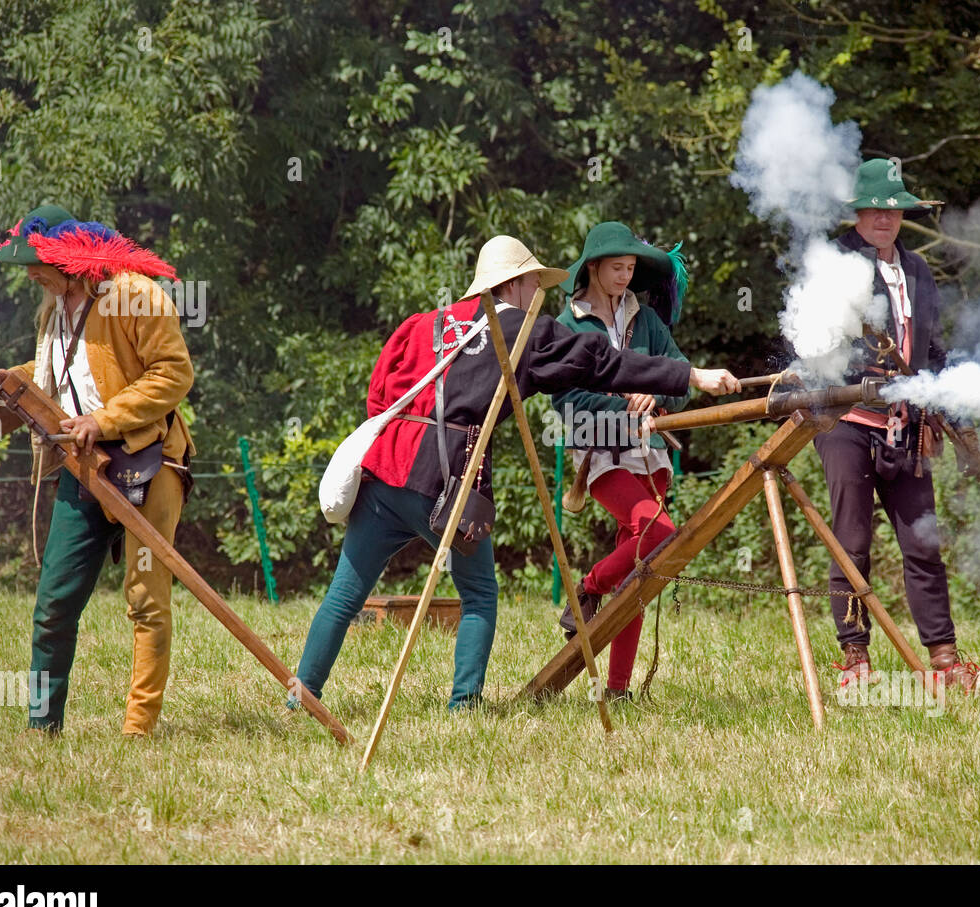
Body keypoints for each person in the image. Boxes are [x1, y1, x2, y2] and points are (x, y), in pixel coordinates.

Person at [292, 235, 740, 710]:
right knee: (480, 594)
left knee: (344, 593)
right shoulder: (525, 334)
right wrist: (690, 376)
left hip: (386, 467)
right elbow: (602, 363)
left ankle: (302, 697)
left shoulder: (425, 324)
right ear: (519, 283)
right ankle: (464, 706)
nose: (538, 292)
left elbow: (380, 396)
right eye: (534, 282)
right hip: (448, 478)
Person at [0, 204, 196, 736]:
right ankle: (41, 723)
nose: (29, 273)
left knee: (146, 600)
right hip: (81, 469)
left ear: (68, 256)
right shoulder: (53, 306)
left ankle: (138, 729)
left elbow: (173, 373)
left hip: (147, 463)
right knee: (52, 601)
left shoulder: (135, 296)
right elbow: (63, 370)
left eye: (37, 262)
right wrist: (16, 381)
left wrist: (104, 419)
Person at [813, 159, 980, 690]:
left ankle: (944, 659)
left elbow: (931, 352)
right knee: (851, 541)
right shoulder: (835, 263)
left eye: (894, 209)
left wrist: (960, 423)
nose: (886, 218)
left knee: (922, 542)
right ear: (859, 212)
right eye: (876, 208)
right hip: (846, 420)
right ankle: (856, 659)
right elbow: (811, 342)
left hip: (906, 427)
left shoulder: (918, 271)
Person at [552, 221, 693, 702]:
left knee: (642, 570)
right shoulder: (568, 324)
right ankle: (587, 589)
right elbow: (566, 401)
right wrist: (621, 406)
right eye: (616, 267)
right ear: (592, 267)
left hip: (650, 455)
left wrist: (653, 393)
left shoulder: (647, 320)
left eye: (631, 268)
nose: (625, 276)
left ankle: (616, 690)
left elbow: (682, 377)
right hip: (600, 451)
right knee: (660, 536)